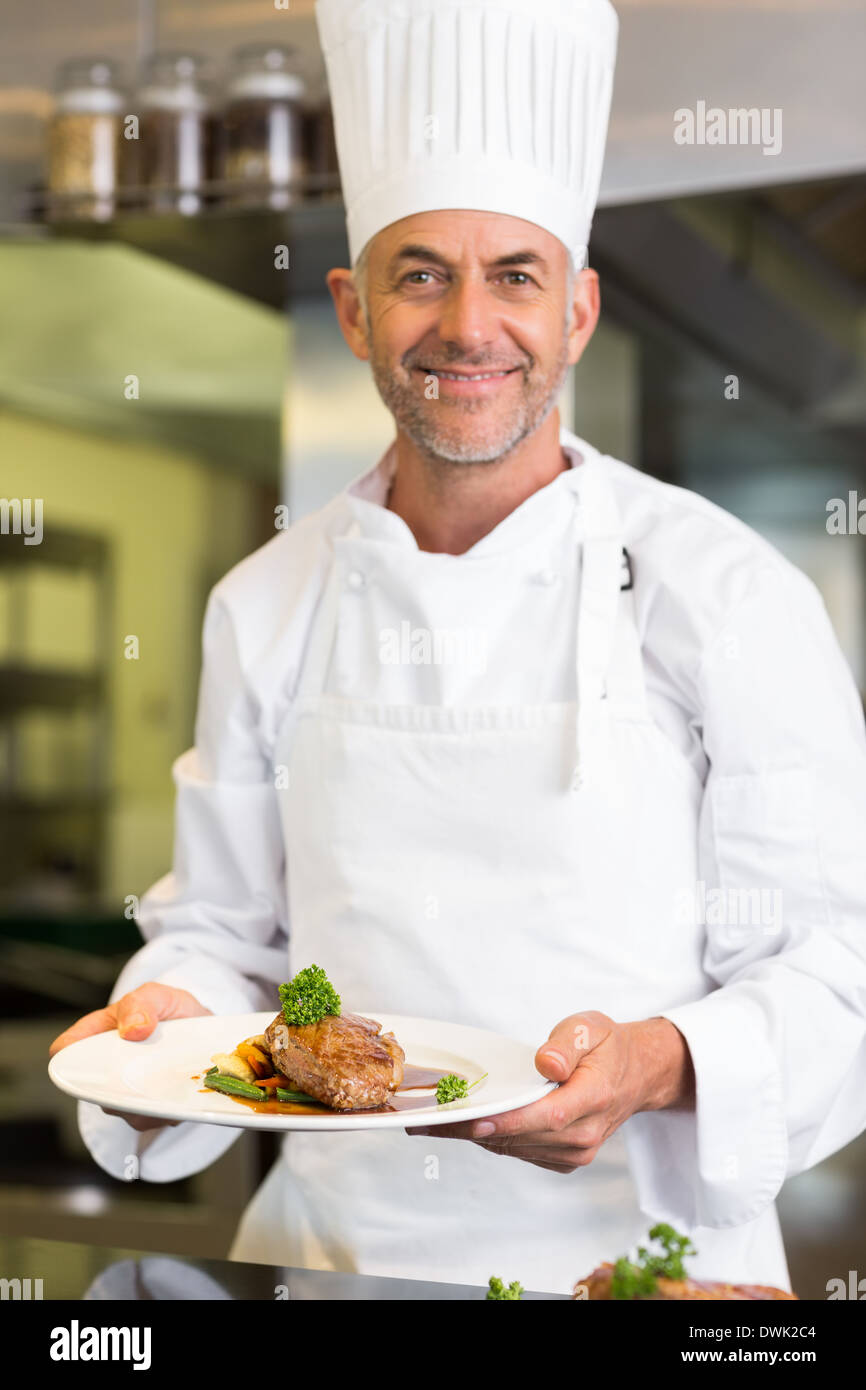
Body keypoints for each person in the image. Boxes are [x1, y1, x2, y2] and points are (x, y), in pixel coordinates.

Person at [50, 0, 866, 1295]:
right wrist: (163, 1022)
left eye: (515, 274)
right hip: (333, 1259)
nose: (466, 325)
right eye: (419, 271)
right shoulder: (266, 600)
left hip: (644, 1263)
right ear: (355, 309)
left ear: (580, 311)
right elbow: (222, 932)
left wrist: (657, 1058)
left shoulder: (723, 590)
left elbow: (835, 963)